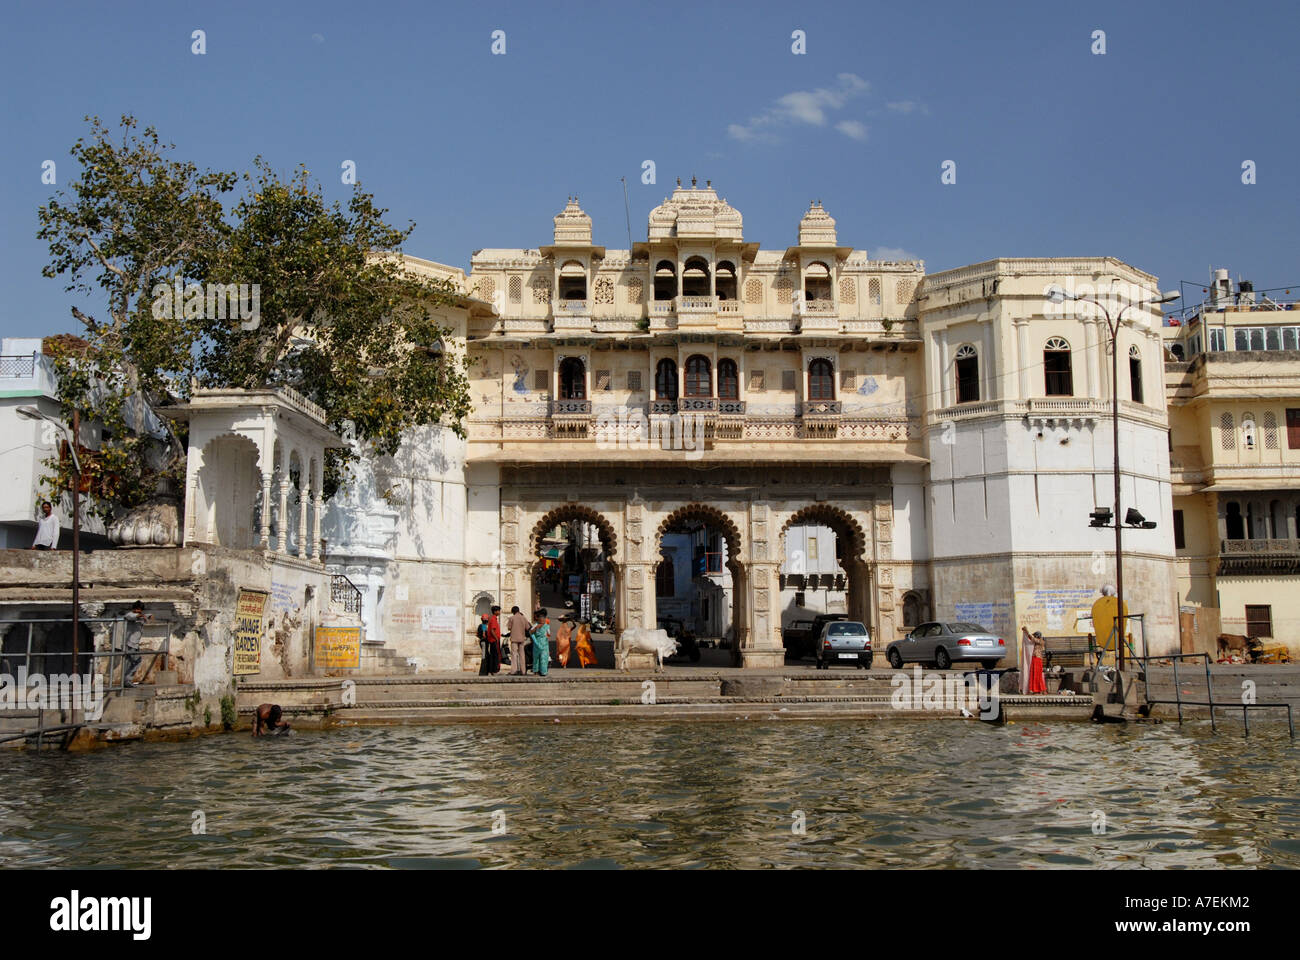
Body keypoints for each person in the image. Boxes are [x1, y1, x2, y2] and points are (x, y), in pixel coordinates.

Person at [122, 601, 150, 688]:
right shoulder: (130, 615)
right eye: (137, 609)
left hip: (135, 644)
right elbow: (130, 616)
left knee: (136, 661)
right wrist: (141, 615)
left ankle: (127, 680)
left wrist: (147, 616)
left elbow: (144, 618)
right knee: (131, 662)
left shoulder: (140, 616)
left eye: (140, 610)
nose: (139, 611)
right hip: (129, 643)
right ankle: (127, 680)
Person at [506, 606, 532, 676]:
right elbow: (528, 627)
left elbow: (509, 628)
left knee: (514, 655)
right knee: (522, 655)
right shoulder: (523, 618)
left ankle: (514, 670)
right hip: (522, 638)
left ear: (513, 612)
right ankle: (523, 671)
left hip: (514, 638)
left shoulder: (512, 618)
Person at [1020, 626, 1047, 694]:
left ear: (1037, 636)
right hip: (1036, 658)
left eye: (1035, 635)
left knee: (1036, 674)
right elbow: (1032, 639)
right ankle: (1038, 689)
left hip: (1037, 659)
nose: (1034, 636)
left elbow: (1031, 638)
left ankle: (1039, 689)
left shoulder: (1040, 641)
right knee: (1035, 674)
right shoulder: (1040, 641)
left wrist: (1026, 631)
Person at [530, 609, 552, 677]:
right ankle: (536, 671)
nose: (542, 620)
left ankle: (543, 671)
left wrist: (546, 636)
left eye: (543, 618)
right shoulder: (535, 625)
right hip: (537, 643)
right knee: (536, 658)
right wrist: (536, 628)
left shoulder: (547, 626)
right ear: (538, 619)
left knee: (544, 658)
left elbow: (549, 634)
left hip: (544, 644)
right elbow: (531, 632)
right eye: (541, 618)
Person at [487, 605, 502, 675]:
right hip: (494, 640)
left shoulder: (493, 619)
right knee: (495, 655)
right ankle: (494, 670)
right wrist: (496, 638)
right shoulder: (493, 619)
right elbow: (492, 630)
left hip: (493, 639)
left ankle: (492, 670)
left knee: (493, 655)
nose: (499, 612)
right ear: (495, 611)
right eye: (498, 611)